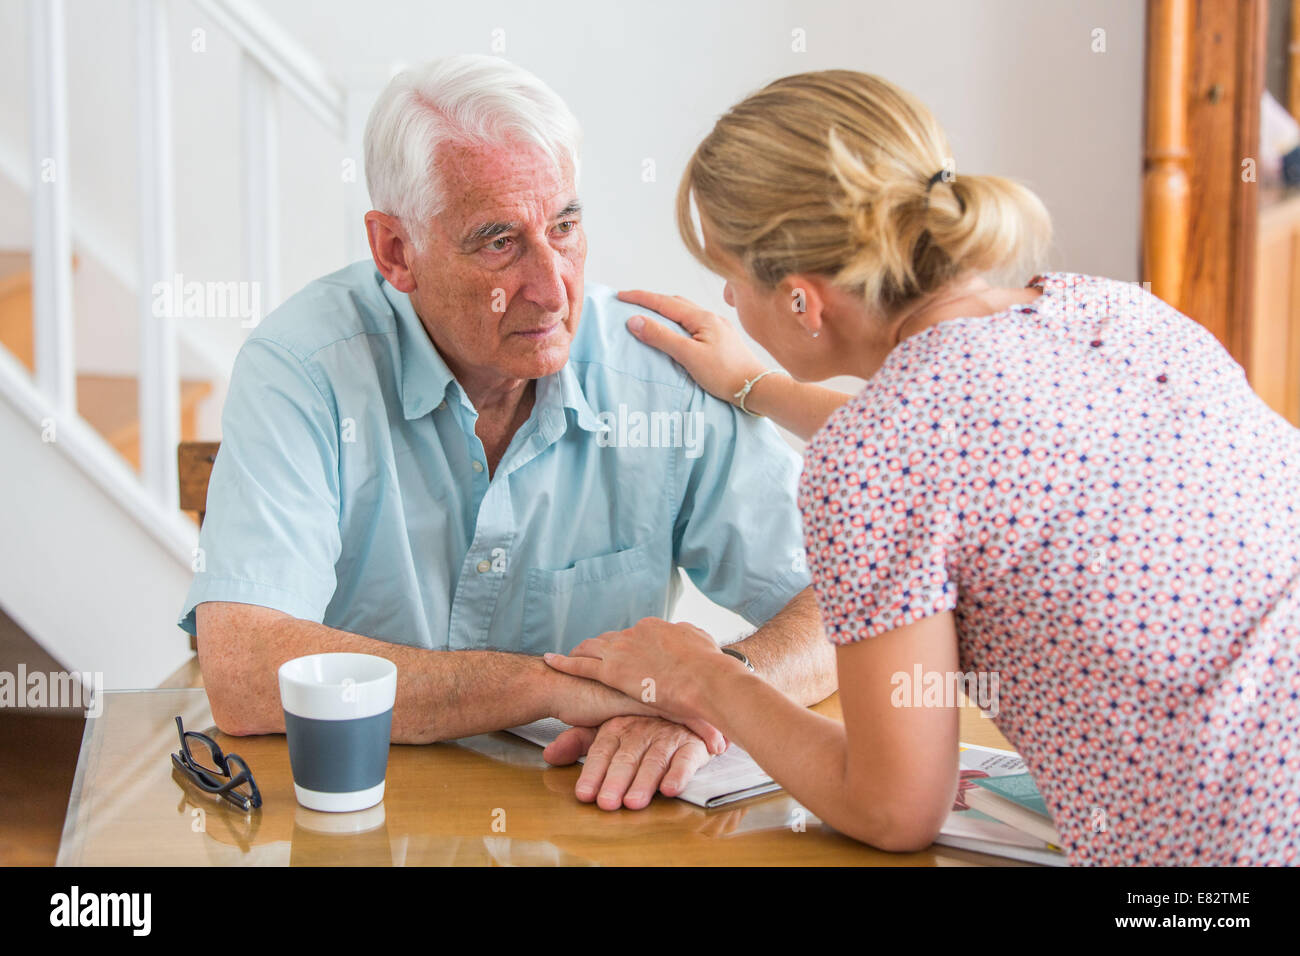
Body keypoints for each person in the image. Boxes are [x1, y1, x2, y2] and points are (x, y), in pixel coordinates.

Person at [545, 69, 1300, 863]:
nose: (729, 300)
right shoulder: (1115, 312)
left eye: (730, 274)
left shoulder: (880, 455)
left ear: (803, 301)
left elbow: (894, 809)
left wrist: (706, 676)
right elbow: (977, 463)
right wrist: (761, 389)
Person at [178, 55, 836, 812]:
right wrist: (552, 686)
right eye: (498, 242)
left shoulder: (666, 373)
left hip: (592, 820)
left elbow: (854, 602)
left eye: (565, 225)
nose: (553, 287)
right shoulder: (303, 368)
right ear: (396, 251)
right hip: (363, 817)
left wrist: (718, 697)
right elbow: (243, 668)